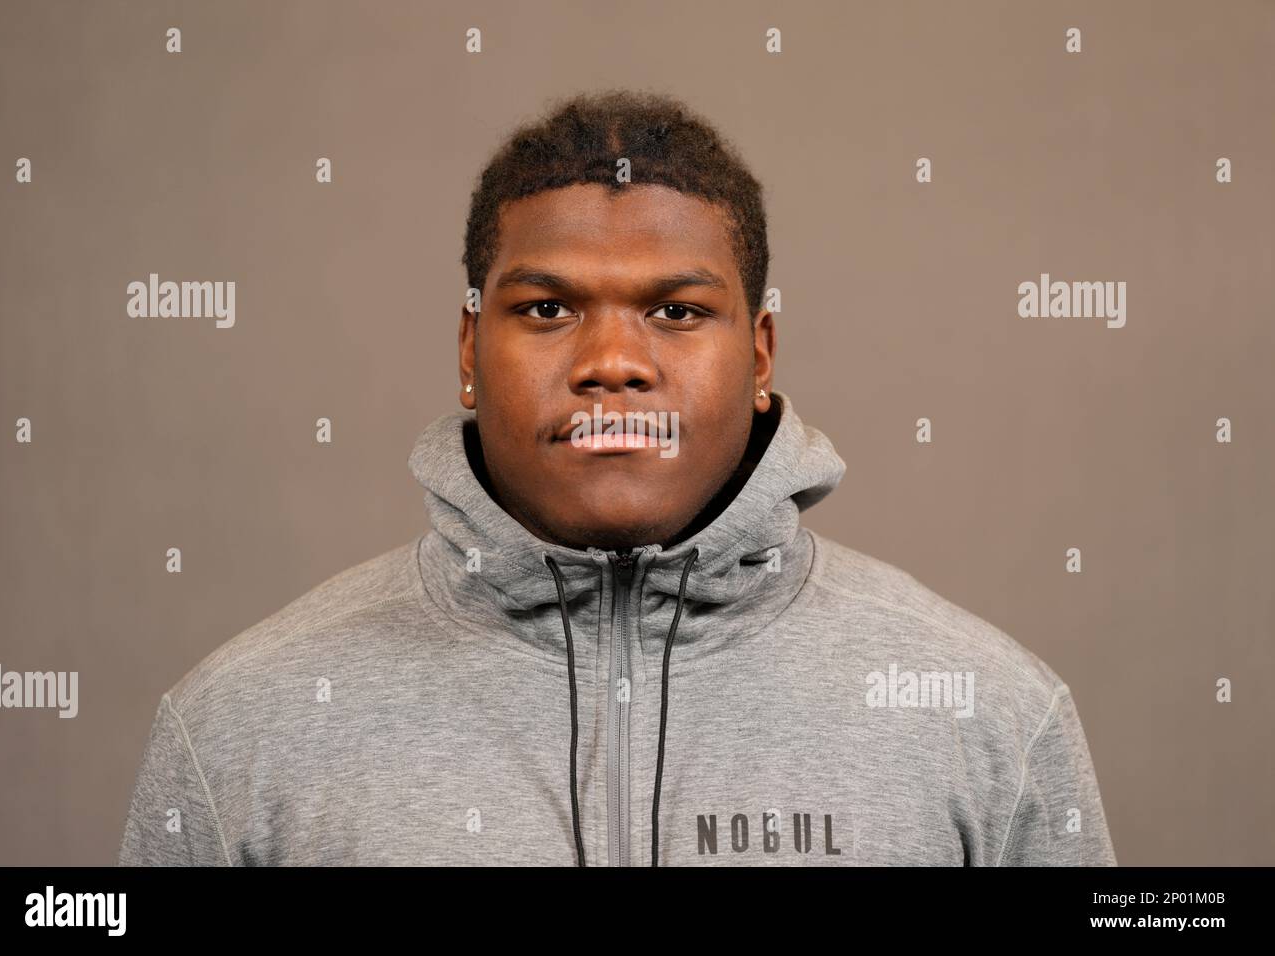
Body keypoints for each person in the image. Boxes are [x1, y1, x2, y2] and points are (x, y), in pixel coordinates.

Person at [118, 89, 1116, 866]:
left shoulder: (985, 712)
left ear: (761, 351)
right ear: (470, 346)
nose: (611, 360)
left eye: (676, 311)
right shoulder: (244, 724)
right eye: (547, 309)